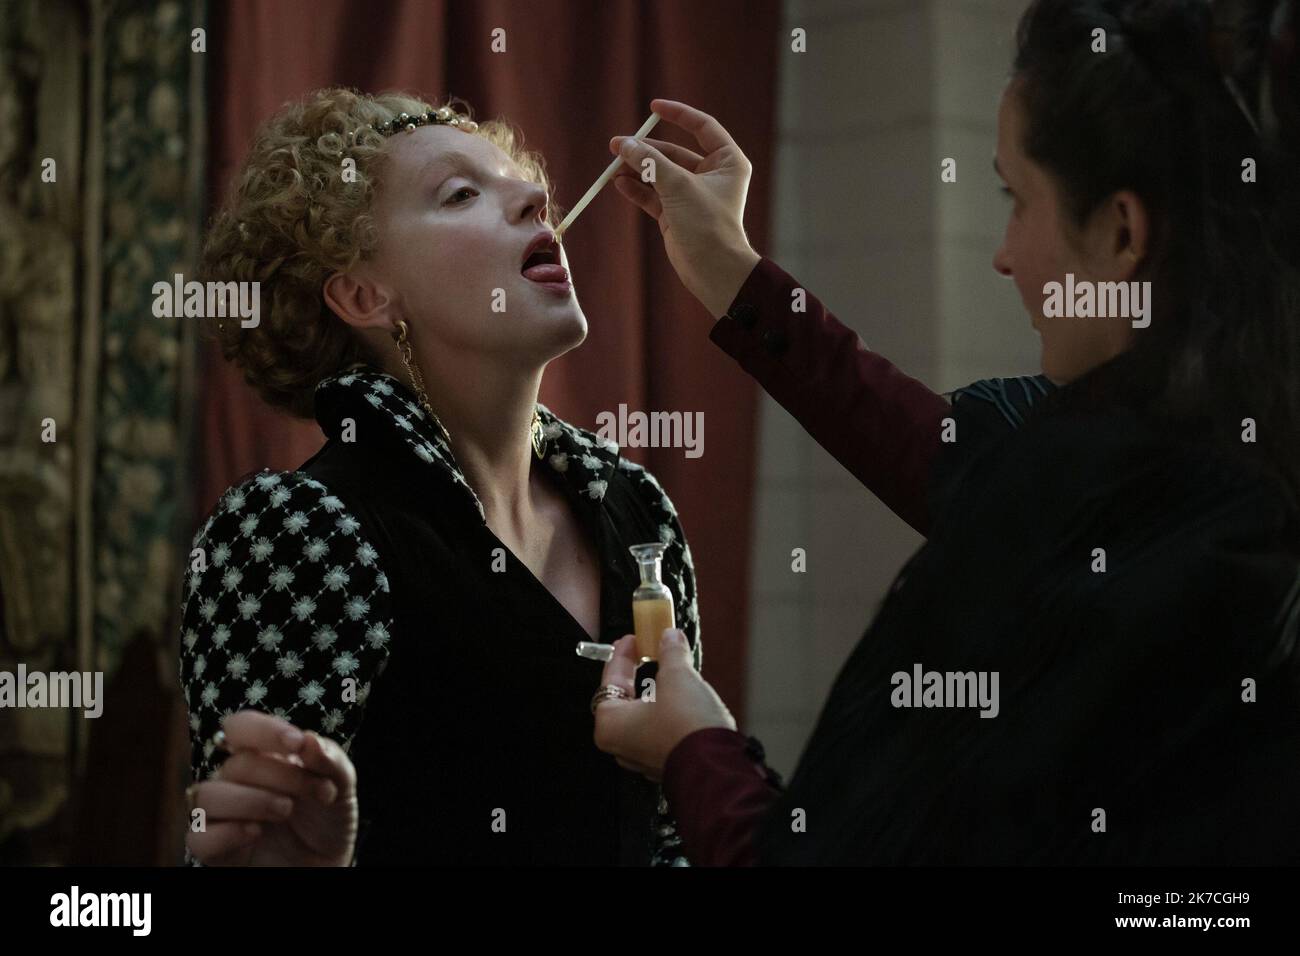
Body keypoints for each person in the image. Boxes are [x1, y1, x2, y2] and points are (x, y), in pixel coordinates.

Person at [592, 0, 1300, 864]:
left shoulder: (1124, 528)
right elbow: (948, 456)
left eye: (1017, 199)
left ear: (1121, 232)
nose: (1004, 256)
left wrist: (694, 750)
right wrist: (733, 276)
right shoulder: (1217, 450)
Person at [178, 88, 703, 866]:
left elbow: (676, 841)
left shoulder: (640, 513)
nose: (535, 196)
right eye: (461, 194)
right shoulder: (301, 530)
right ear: (363, 295)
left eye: (522, 182)